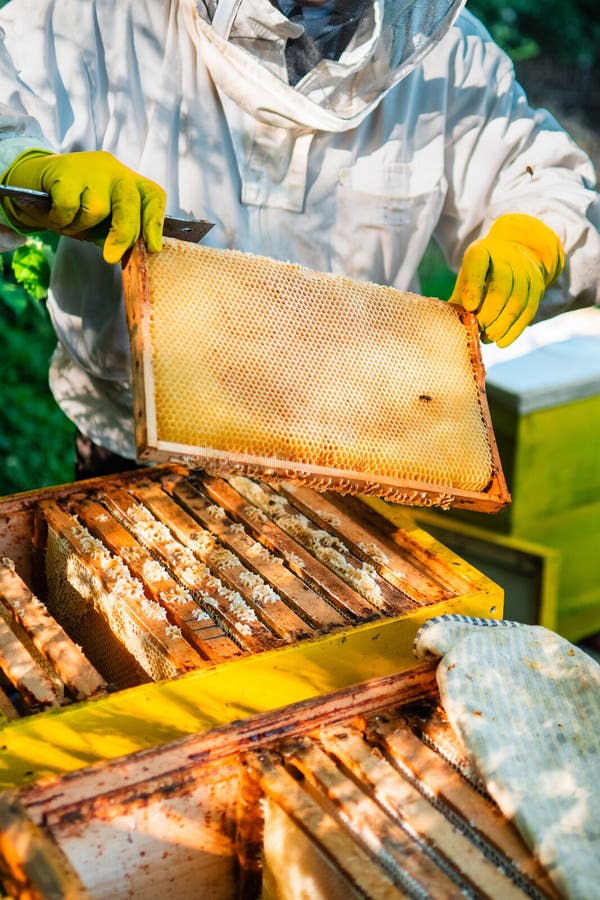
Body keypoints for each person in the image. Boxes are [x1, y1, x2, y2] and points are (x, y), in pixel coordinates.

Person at [0, 0, 598, 478]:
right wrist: (26, 170)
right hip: (133, 447)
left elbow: (541, 176)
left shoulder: (452, 58)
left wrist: (530, 236)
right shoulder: (103, 14)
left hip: (353, 453)